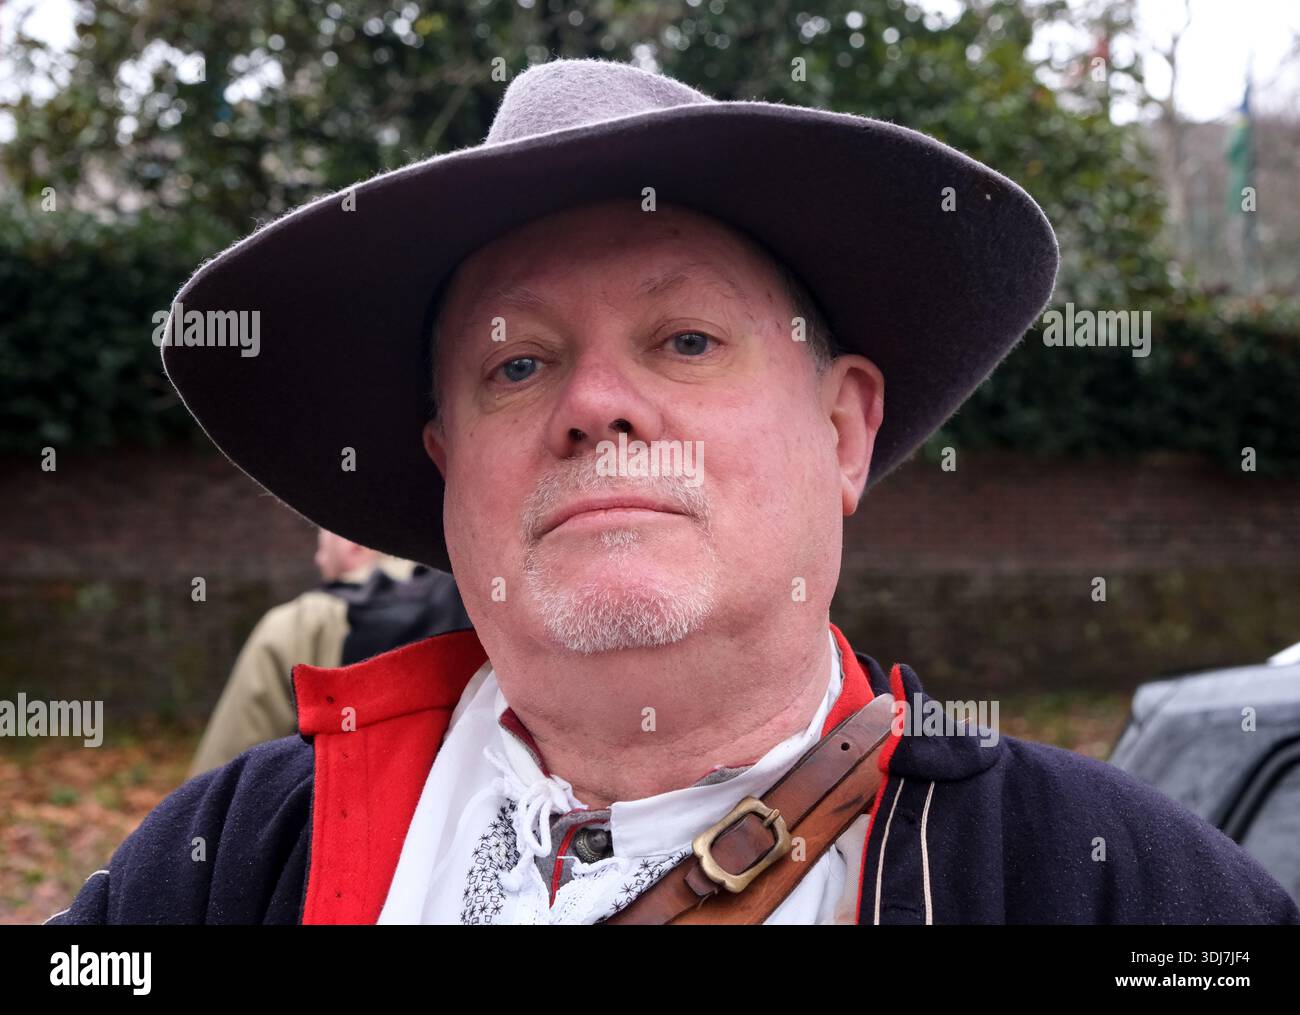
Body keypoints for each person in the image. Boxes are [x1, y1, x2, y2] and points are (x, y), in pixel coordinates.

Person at [48, 58, 1298, 925]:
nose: (594, 404)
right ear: (449, 478)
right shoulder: (227, 861)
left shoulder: (1106, 890)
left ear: (842, 426)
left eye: (686, 340)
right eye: (517, 362)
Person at [188, 529, 428, 776]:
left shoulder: (298, 624)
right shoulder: (462, 601)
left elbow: (219, 780)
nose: (318, 560)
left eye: (322, 549)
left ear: (354, 543)